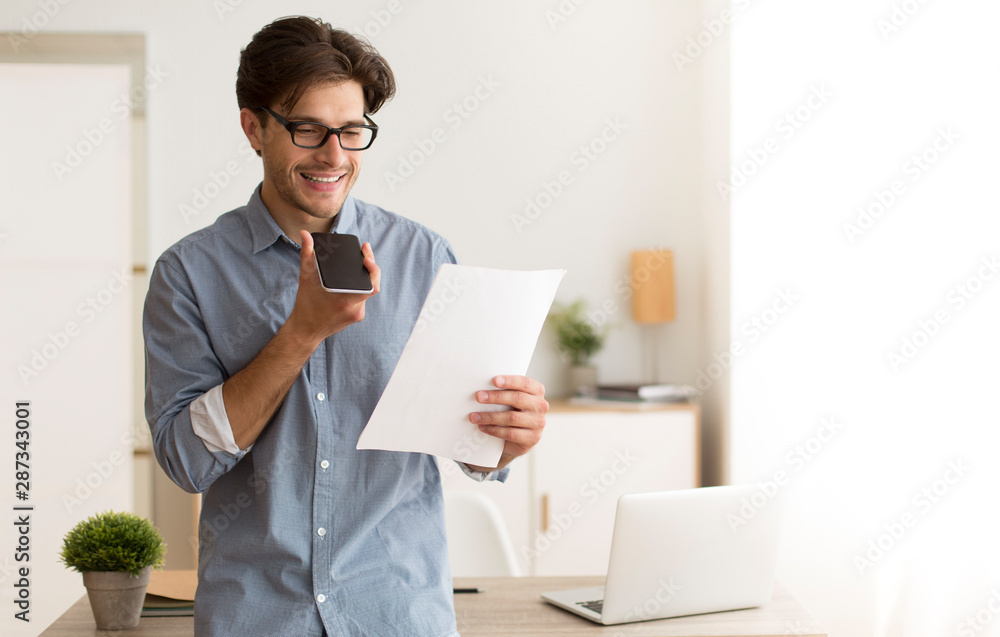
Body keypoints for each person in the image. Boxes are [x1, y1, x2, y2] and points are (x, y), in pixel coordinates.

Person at [143, 15, 549, 637]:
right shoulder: (189, 273)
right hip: (257, 619)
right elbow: (186, 462)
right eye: (307, 129)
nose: (334, 156)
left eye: (353, 131)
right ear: (253, 128)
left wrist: (506, 438)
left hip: (398, 613)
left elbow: (473, 442)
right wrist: (301, 333)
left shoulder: (424, 258)